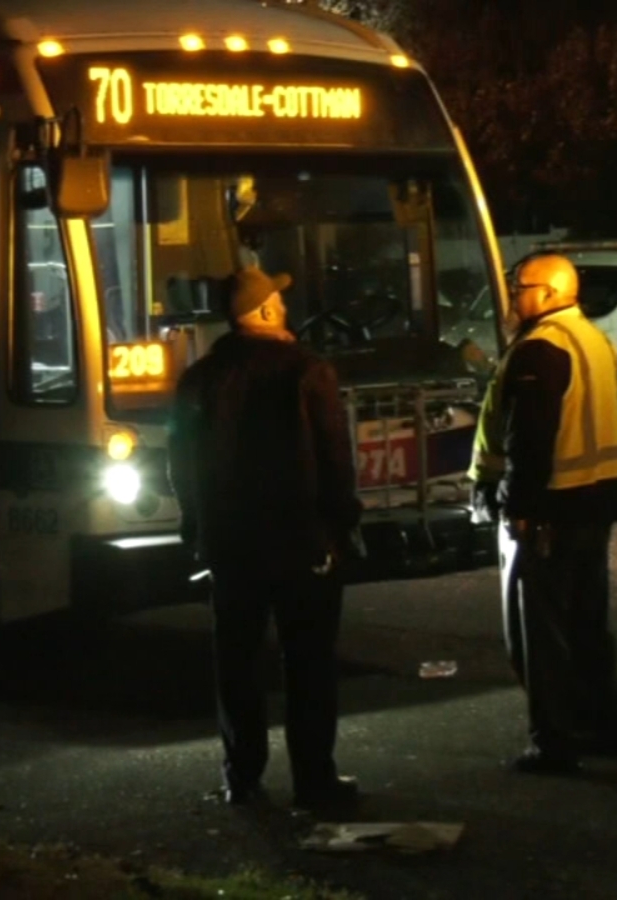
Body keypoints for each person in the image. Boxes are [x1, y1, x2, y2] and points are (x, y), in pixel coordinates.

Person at [168, 266, 363, 809]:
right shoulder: (307, 371)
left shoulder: (201, 378)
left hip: (230, 544)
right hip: (302, 542)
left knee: (237, 664)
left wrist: (197, 527)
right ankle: (314, 780)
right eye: (278, 297)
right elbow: (333, 459)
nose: (284, 303)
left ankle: (242, 776)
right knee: (309, 665)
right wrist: (341, 526)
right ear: (267, 311)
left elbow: (180, 465)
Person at [468, 253, 617, 774]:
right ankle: (604, 729)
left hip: (549, 509)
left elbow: (529, 441)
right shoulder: (593, 339)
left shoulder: (540, 348)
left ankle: (554, 742)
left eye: (521, 287)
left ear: (550, 293)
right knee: (589, 625)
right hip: (596, 501)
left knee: (541, 635)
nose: (513, 296)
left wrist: (517, 507)